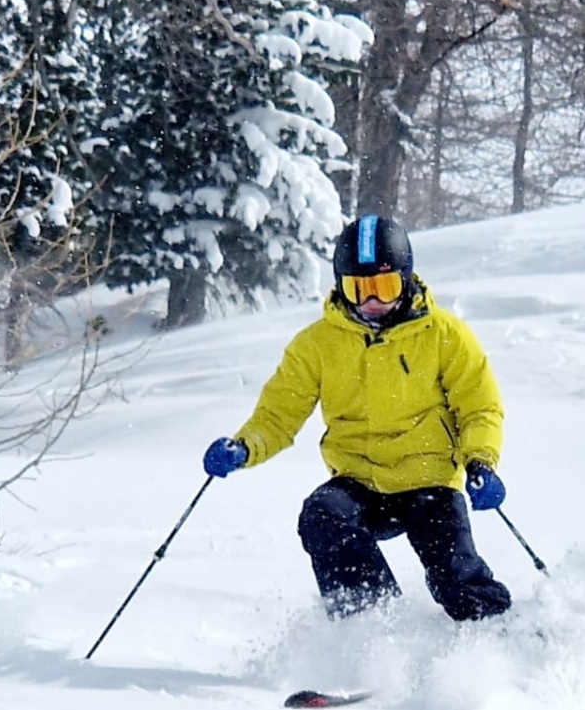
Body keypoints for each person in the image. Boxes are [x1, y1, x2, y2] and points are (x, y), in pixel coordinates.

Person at [201, 214, 513, 622]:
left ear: (406, 279)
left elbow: (479, 407)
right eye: (358, 289)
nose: (372, 302)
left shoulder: (443, 335)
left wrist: (481, 461)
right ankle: (372, 624)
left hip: (429, 481)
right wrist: (244, 447)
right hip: (360, 484)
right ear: (340, 286)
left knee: (455, 576)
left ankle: (496, 631)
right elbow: (279, 414)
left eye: (385, 287)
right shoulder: (317, 345)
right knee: (322, 515)